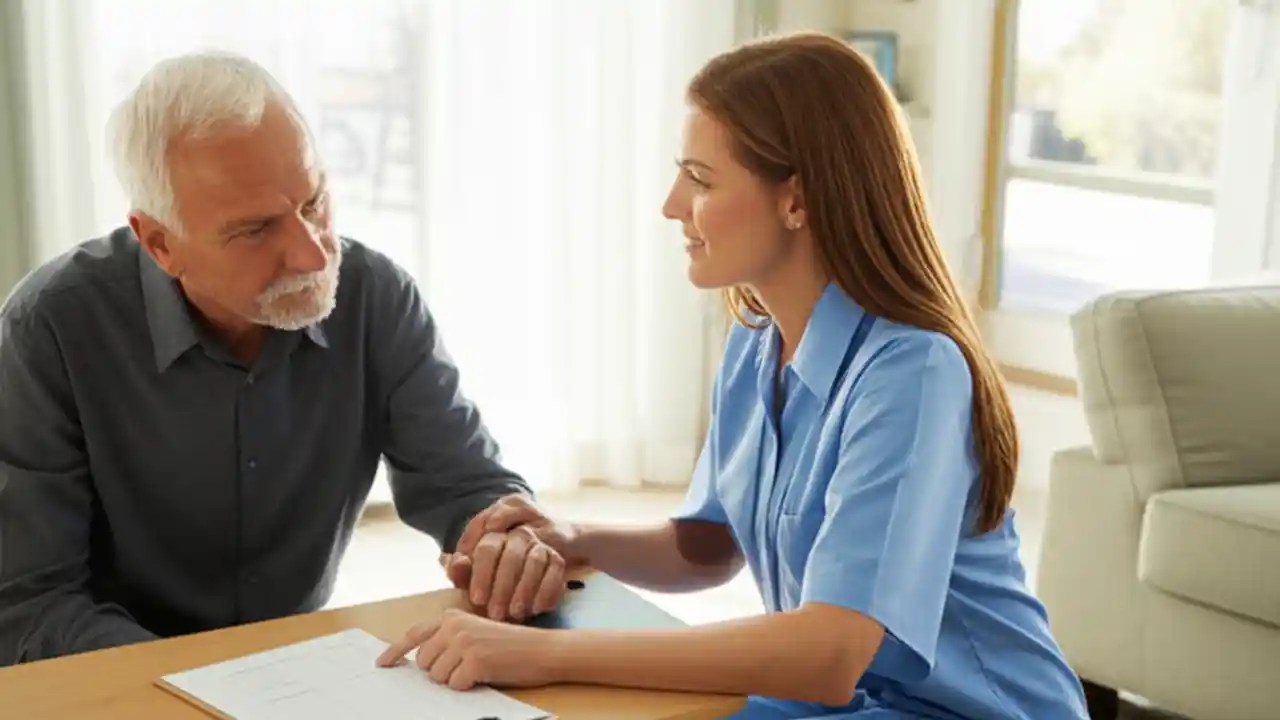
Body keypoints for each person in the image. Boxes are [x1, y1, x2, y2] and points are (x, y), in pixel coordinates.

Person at [377, 33, 1089, 720]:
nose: (671, 204)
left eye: (699, 178)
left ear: (797, 200)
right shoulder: (757, 339)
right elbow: (709, 545)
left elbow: (830, 652)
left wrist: (545, 655)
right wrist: (572, 535)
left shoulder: (912, 373)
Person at [0, 52, 565, 665]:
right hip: (117, 680)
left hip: (290, 678)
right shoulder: (50, 327)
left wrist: (507, 542)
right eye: (255, 230)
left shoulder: (375, 295)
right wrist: (203, 685)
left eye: (314, 201)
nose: (313, 255)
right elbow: (29, 606)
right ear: (159, 242)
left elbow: (468, 485)